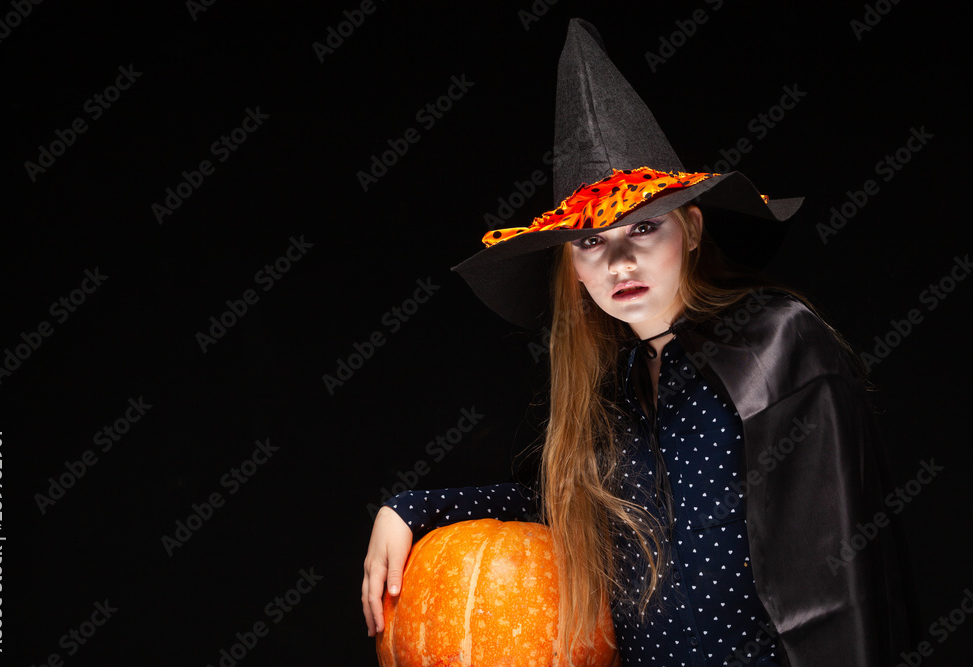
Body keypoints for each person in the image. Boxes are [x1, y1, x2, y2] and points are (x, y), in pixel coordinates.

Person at [362, 19, 912, 667]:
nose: (619, 263)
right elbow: (556, 504)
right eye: (592, 242)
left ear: (693, 227)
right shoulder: (611, 391)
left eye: (643, 228)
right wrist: (411, 509)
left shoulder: (778, 346)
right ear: (572, 265)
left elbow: (846, 562)